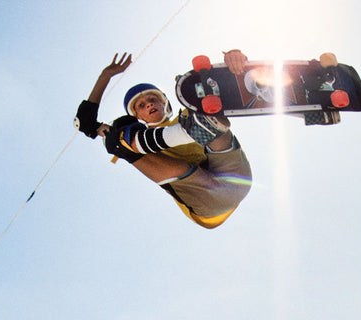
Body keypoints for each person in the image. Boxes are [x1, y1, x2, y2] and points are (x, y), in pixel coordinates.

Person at [75, 49, 252, 229]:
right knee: (119, 137)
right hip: (209, 203)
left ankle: (207, 125)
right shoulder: (134, 136)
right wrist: (105, 75)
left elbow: (224, 91)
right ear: (138, 116)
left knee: (201, 110)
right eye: (141, 105)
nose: (149, 104)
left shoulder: (187, 114)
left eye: (153, 99)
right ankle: (190, 131)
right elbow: (85, 122)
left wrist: (233, 64)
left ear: (164, 103)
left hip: (235, 177)